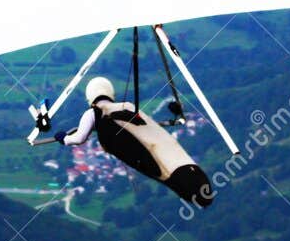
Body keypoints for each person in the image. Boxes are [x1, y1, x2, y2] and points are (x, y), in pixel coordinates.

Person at [56, 77, 213, 207]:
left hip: (132, 150)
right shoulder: (129, 107)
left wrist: (64, 138)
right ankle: (189, 180)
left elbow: (79, 138)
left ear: (90, 98)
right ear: (111, 93)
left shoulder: (92, 113)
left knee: (166, 171)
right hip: (174, 161)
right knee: (177, 175)